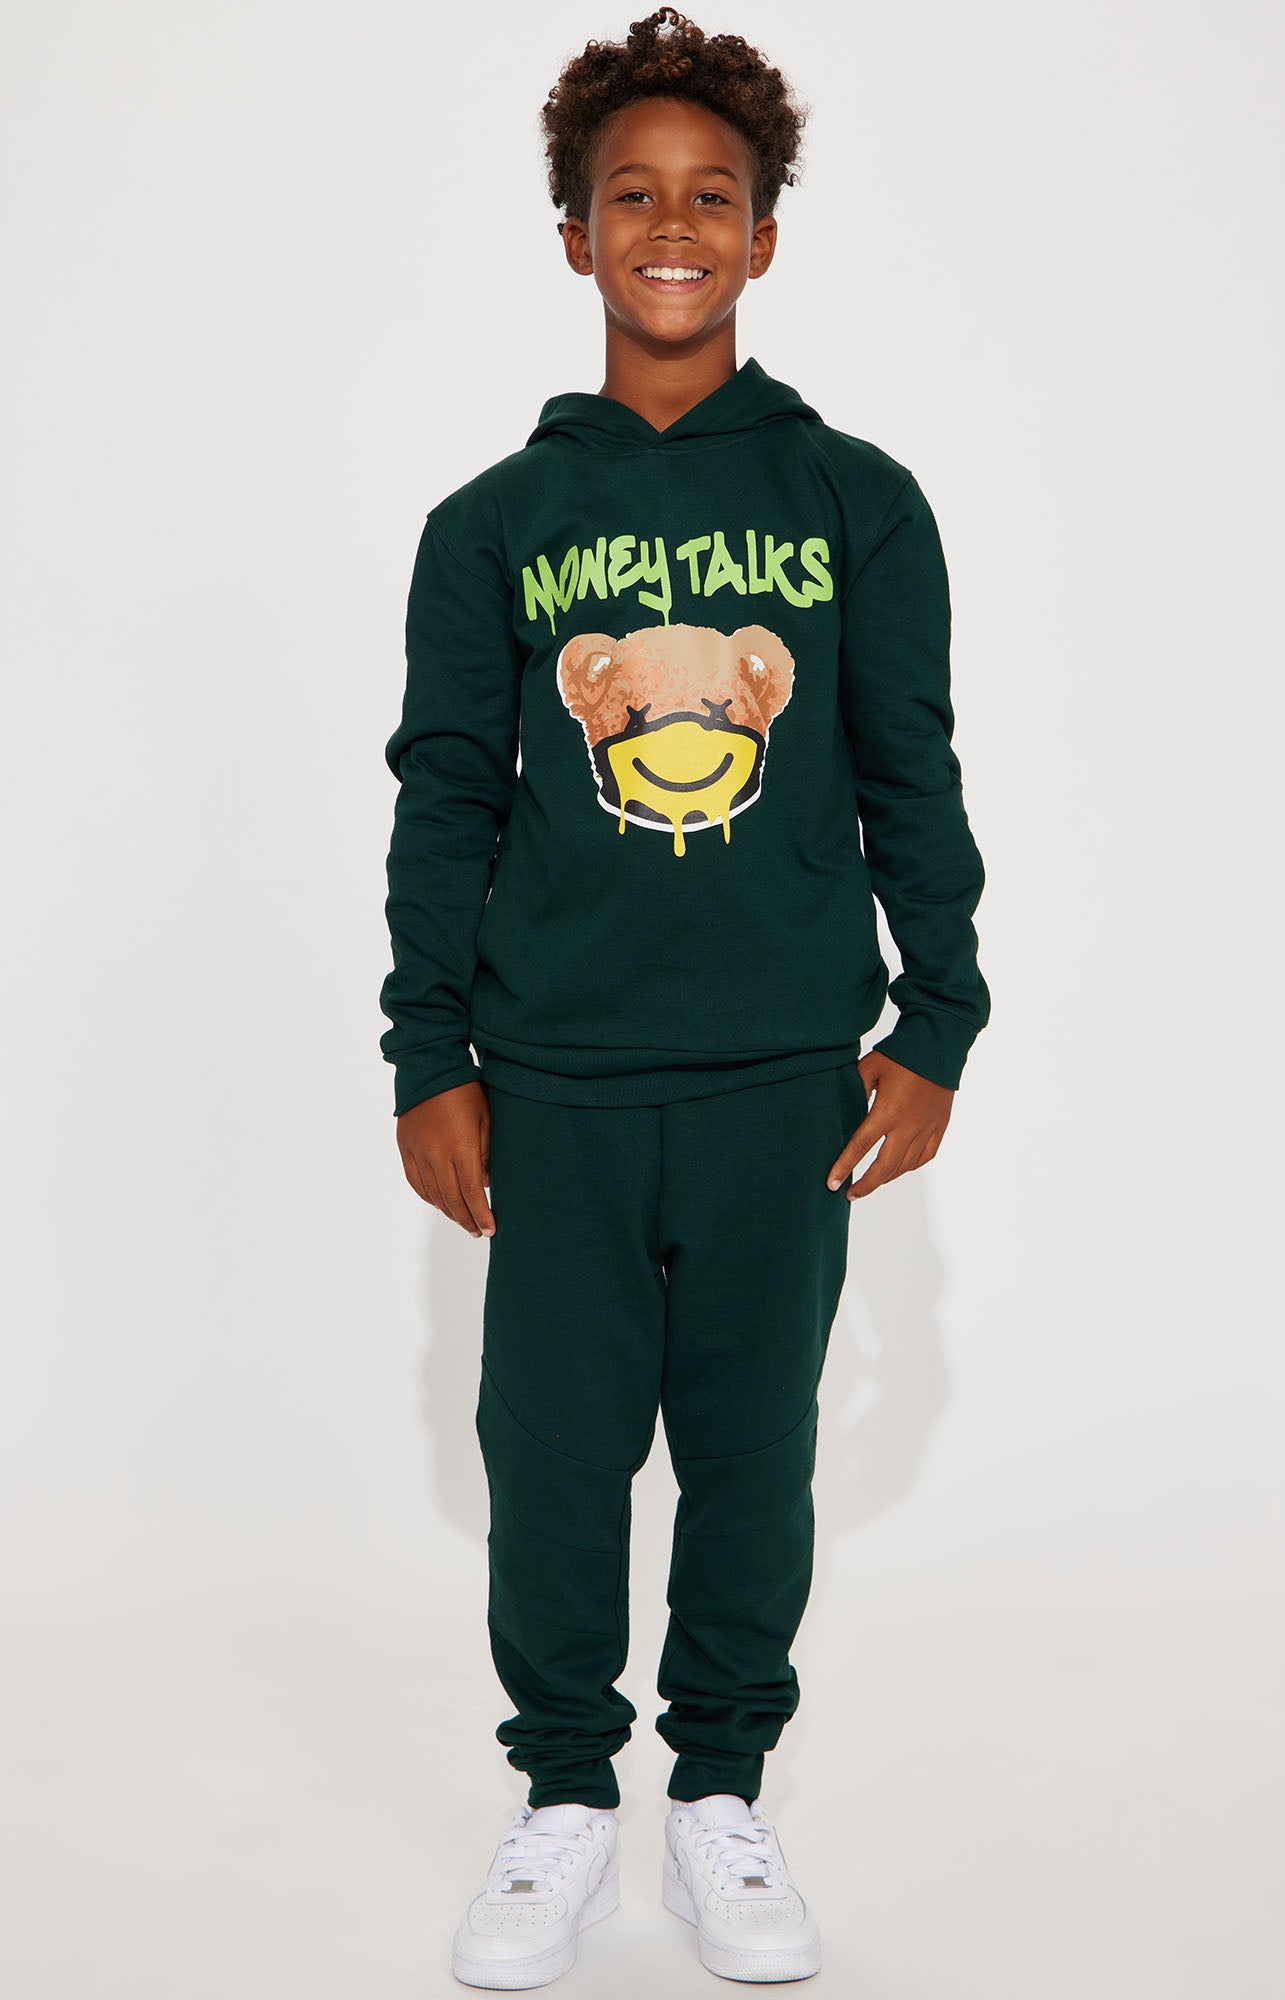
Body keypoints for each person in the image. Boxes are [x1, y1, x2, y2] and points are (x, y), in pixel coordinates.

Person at [378, 8, 990, 1987]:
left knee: (748, 1456)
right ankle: (564, 1800)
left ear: (763, 235)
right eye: (629, 195)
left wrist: (935, 1021)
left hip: (777, 1080)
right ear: (573, 235)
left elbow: (908, 772)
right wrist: (428, 1053)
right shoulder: (490, 526)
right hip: (552, 1078)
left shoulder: (856, 500)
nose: (670, 226)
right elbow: (446, 800)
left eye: (709, 196)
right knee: (550, 1456)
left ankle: (720, 1791)